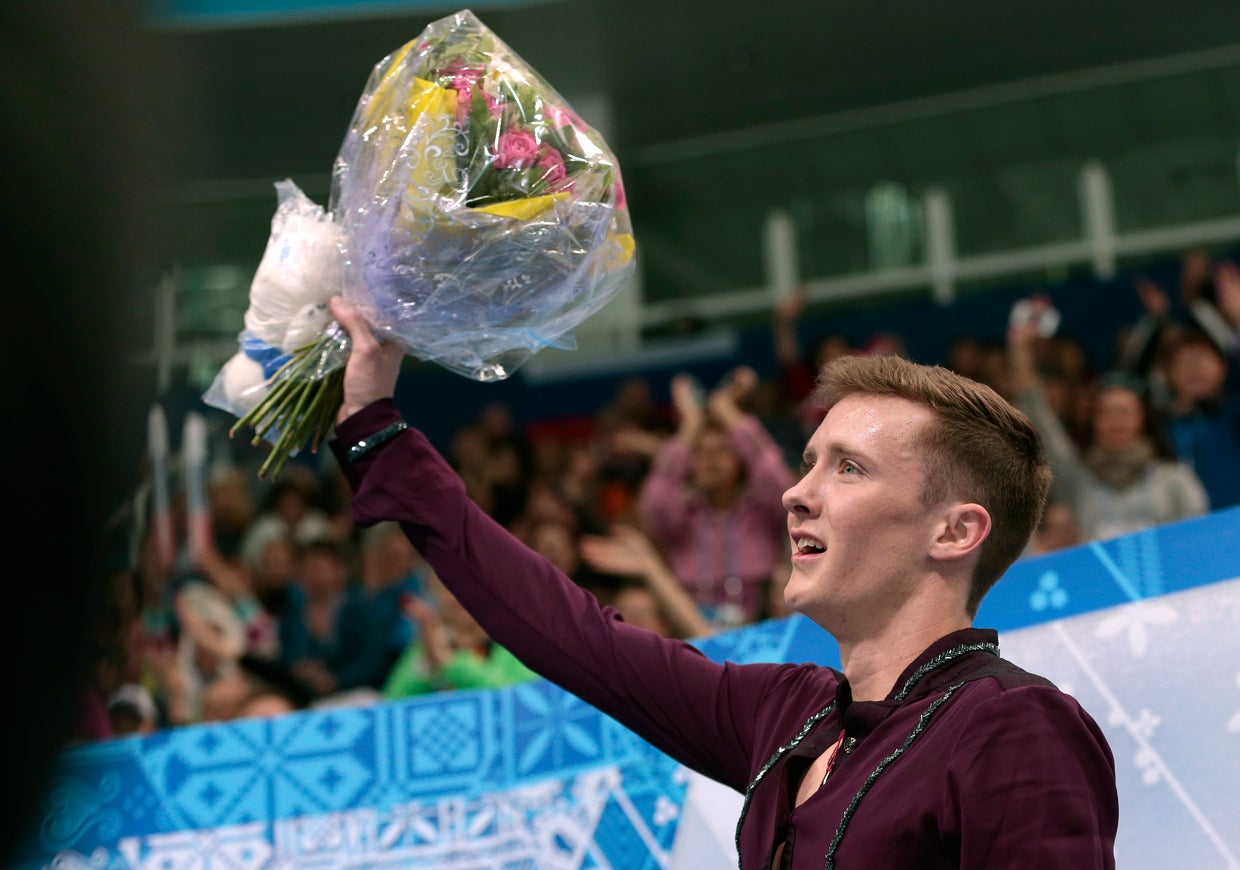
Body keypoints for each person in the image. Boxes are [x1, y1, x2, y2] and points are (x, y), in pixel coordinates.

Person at [325, 296, 1118, 868]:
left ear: (955, 531)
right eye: (808, 462)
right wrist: (377, 430)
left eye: (849, 468)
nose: (795, 493)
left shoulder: (1014, 726)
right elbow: (571, 634)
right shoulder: (790, 713)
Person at [636, 366, 796, 627]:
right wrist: (690, 425)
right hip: (691, 629)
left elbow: (775, 477)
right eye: (701, 453)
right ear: (690, 464)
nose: (711, 460)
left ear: (740, 460)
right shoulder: (681, 516)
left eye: (723, 451)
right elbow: (654, 504)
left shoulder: (764, 509)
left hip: (763, 625)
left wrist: (728, 412)